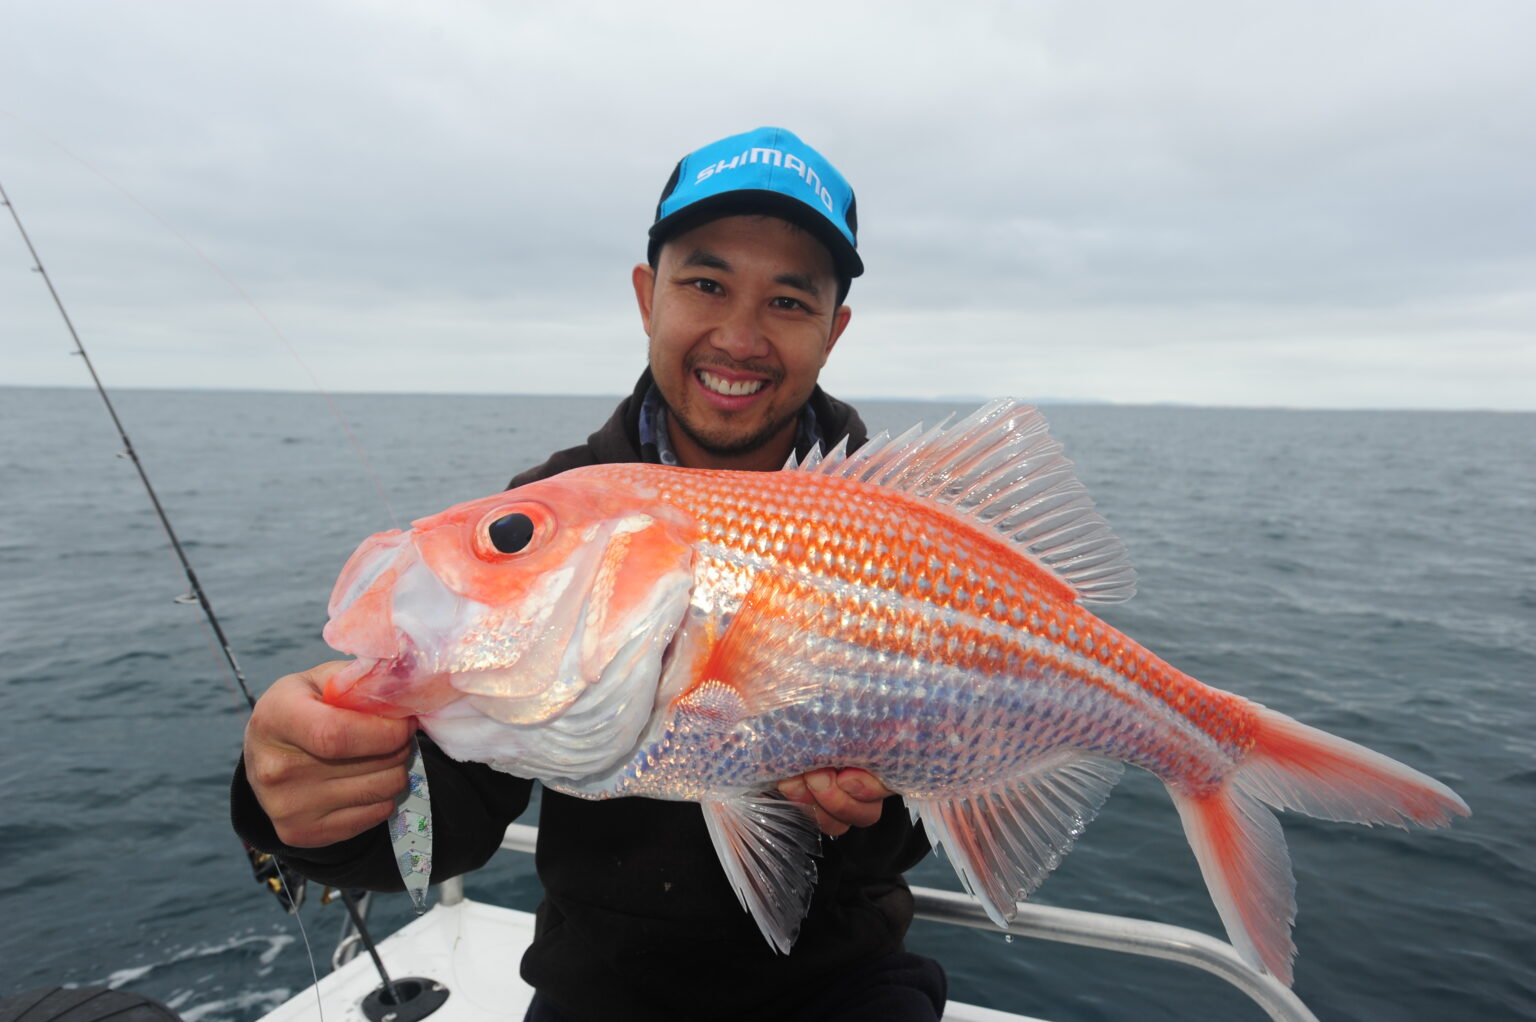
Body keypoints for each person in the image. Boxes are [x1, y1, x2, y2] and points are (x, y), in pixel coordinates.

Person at [233, 127, 947, 1021]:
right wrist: (309, 799)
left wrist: (873, 816)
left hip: (846, 984)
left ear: (834, 330)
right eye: (706, 283)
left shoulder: (911, 535)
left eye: (789, 302)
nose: (739, 336)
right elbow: (439, 816)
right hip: (601, 988)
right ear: (648, 295)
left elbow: (950, 792)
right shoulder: (553, 507)